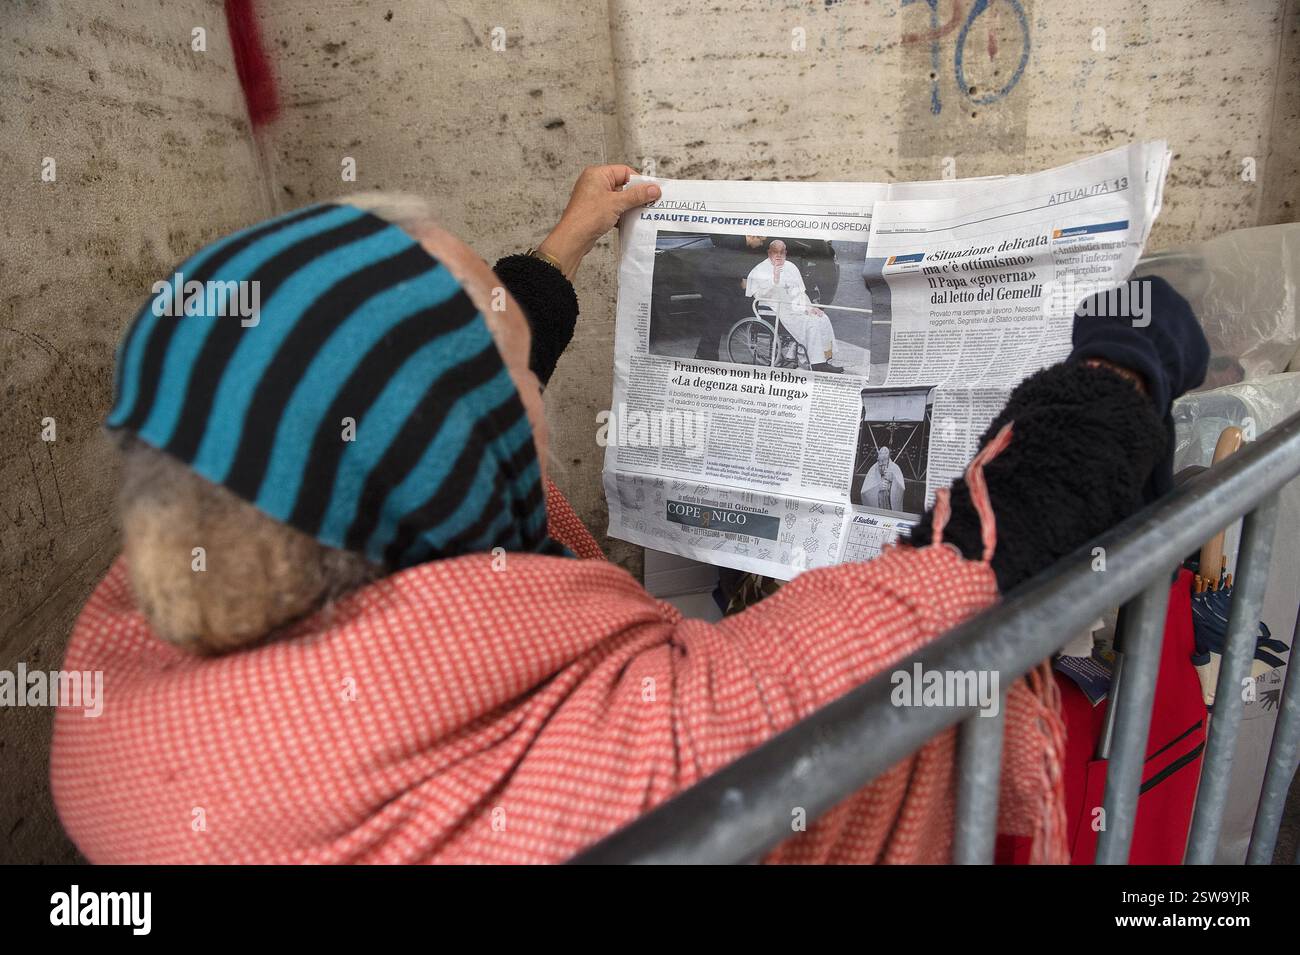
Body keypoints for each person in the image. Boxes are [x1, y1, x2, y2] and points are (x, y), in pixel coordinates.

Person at [50, 164, 1208, 864]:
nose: (532, 385)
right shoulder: (635, 758)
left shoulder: (152, 619)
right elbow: (971, 561)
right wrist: (1120, 363)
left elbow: (397, 382)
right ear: (464, 462)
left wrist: (560, 247)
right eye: (512, 370)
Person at [744, 240, 843, 372]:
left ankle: (825, 358)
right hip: (774, 309)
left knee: (822, 318)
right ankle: (817, 363)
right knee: (810, 323)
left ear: (786, 253)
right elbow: (758, 295)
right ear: (769, 253)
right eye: (775, 252)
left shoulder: (791, 267)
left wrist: (810, 307)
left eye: (781, 252)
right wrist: (775, 279)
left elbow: (800, 292)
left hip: (795, 306)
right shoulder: (760, 269)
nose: (778, 255)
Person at [858, 445, 907, 511]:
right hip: (878, 502)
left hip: (889, 502)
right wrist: (878, 487)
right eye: (880, 465)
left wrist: (893, 479)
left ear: (888, 460)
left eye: (884, 464)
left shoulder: (895, 468)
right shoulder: (873, 469)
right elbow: (864, 492)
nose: (882, 468)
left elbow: (902, 488)